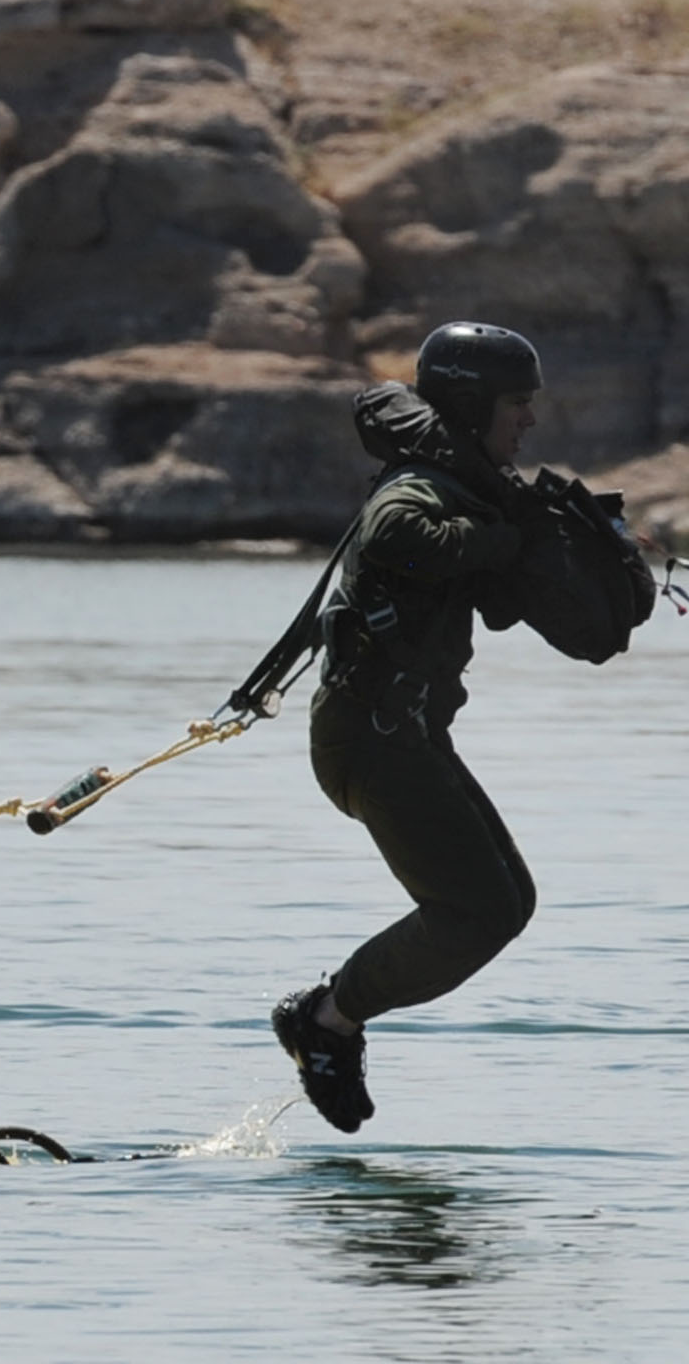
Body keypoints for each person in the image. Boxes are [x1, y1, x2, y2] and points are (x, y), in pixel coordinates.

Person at [271, 321, 556, 1133]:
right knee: (475, 913)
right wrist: (504, 540)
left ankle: (333, 1016)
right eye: (516, 403)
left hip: (406, 736)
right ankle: (325, 1020)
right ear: (473, 406)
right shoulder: (420, 488)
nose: (529, 419)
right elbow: (396, 533)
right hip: (371, 739)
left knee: (510, 903)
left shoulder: (461, 482)